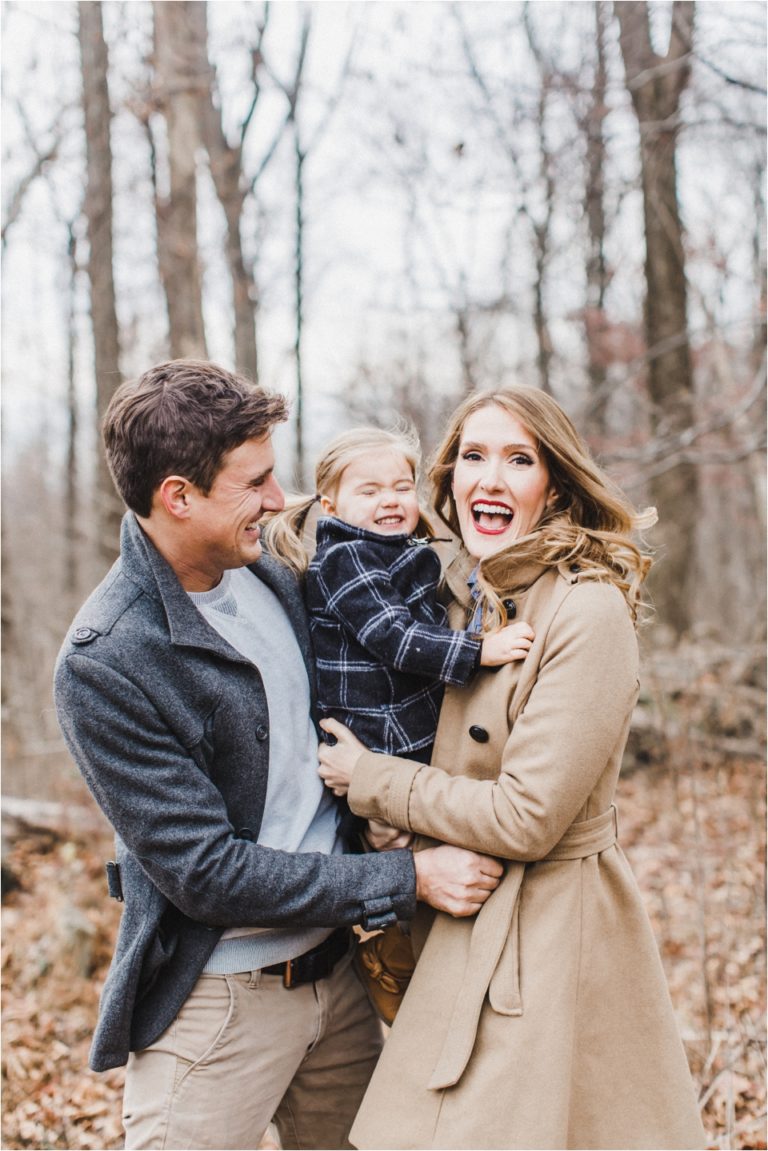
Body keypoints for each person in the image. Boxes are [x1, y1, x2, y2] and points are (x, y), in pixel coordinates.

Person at [53, 359, 504, 1151]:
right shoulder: (109, 661)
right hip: (220, 1004)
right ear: (178, 496)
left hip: (344, 978)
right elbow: (207, 872)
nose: (279, 498)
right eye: (255, 481)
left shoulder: (273, 570)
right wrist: (406, 876)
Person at [318, 387, 707, 1150]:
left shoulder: (587, 612)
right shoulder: (462, 602)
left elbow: (527, 816)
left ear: (554, 485)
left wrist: (373, 780)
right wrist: (386, 832)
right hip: (454, 922)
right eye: (473, 456)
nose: (489, 478)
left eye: (518, 458)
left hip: (550, 941)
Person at [267, 425, 534, 769]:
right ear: (331, 508)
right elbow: (395, 636)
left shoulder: (392, 551)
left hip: (406, 723)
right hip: (384, 735)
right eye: (370, 492)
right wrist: (480, 649)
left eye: (402, 487)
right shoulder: (346, 559)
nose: (390, 499)